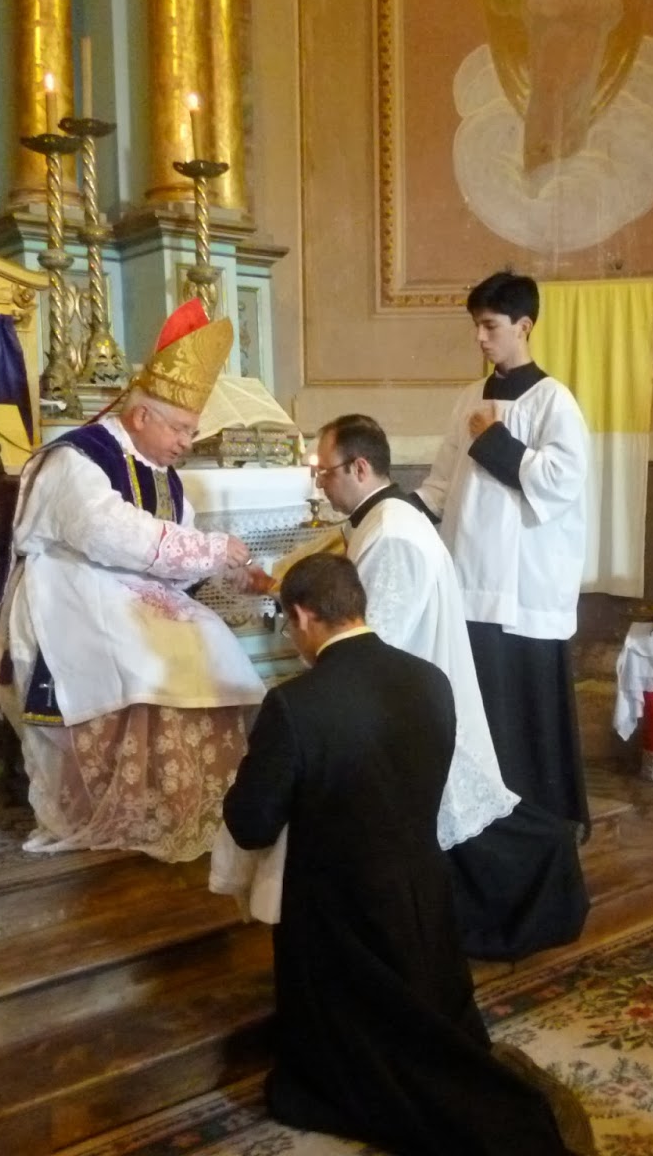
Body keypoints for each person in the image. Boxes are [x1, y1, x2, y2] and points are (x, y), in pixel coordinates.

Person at [223, 553, 584, 1156]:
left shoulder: (294, 705)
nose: (293, 637)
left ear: (304, 616)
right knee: (432, 1036)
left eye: (291, 624)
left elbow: (253, 824)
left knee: (366, 1067)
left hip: (338, 917)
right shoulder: (428, 680)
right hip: (425, 893)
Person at [0, 300, 268, 864]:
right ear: (141, 417)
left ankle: (179, 802)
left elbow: (179, 551)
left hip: (134, 594)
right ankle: (119, 804)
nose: (187, 442)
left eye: (192, 430)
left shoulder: (166, 476)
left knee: (206, 646)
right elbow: (106, 531)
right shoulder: (78, 458)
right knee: (143, 657)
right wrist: (208, 549)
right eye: (180, 428)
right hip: (70, 589)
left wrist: (230, 569)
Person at [314, 413, 589, 959]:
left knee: (470, 830)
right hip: (411, 701)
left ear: (360, 467)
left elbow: (376, 638)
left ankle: (538, 895)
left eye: (325, 473)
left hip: (410, 710)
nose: (321, 484)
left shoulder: (391, 533)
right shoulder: (383, 520)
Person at [414, 271, 592, 832]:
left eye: (490, 326)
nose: (481, 339)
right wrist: (400, 508)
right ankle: (483, 815)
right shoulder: (470, 397)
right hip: (466, 575)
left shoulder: (553, 401)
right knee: (479, 702)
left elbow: (564, 481)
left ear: (524, 326)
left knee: (524, 706)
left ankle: (540, 816)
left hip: (521, 589)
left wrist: (496, 442)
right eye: (476, 327)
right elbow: (444, 481)